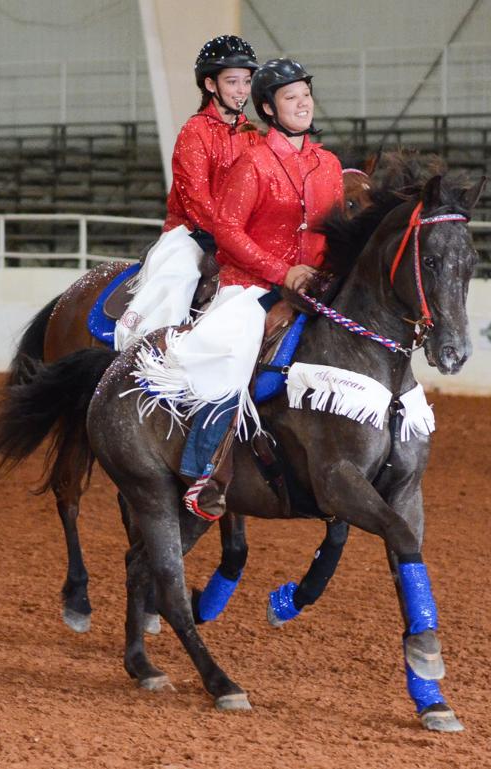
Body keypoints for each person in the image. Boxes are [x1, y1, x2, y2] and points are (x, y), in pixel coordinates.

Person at [134, 59, 344, 517]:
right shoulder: (254, 162)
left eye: (306, 93)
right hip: (252, 286)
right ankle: (203, 470)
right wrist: (281, 271)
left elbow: (336, 228)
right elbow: (228, 232)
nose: (304, 102)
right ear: (269, 108)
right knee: (228, 358)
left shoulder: (328, 164)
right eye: (292, 97)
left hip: (316, 285)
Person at [114, 34, 259, 351]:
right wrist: (232, 234)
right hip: (193, 234)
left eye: (246, 81)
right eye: (232, 82)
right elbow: (197, 201)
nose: (242, 91)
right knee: (179, 277)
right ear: (210, 85)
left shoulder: (254, 135)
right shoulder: (194, 132)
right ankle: (146, 349)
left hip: (240, 236)